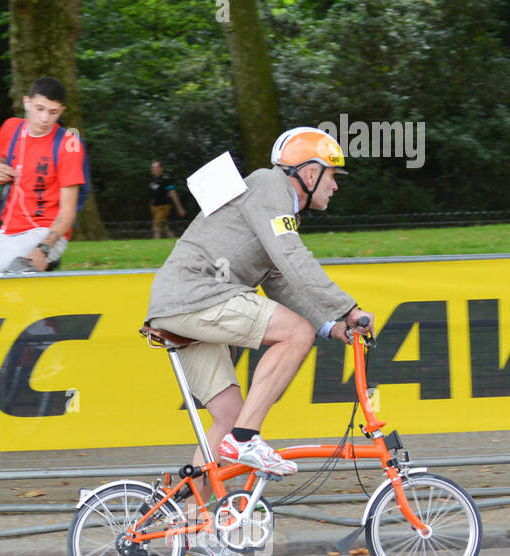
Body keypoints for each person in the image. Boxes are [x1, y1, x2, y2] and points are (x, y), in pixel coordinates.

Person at [145, 127, 374, 482]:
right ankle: (247, 438)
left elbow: (278, 280)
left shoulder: (275, 203)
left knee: (228, 417)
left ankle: (194, 524)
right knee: (295, 333)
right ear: (310, 173)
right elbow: (292, 257)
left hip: (181, 303)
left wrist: (331, 325)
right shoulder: (270, 186)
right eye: (332, 176)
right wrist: (348, 308)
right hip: (195, 295)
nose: (335, 186)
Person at [0, 76, 86, 273]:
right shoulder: (11, 128)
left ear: (62, 111)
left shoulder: (69, 144)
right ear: (26, 102)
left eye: (53, 112)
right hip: (8, 230)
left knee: (0, 288)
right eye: (39, 109)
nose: (44, 118)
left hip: (46, 231)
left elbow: (67, 213)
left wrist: (43, 249)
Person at [149, 161, 187, 239]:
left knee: (156, 226)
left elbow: (173, 194)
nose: (153, 169)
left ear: (160, 169)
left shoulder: (166, 180)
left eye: (155, 167)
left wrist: (180, 208)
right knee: (164, 226)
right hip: (155, 207)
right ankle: (173, 239)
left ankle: (156, 243)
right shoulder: (152, 180)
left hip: (164, 206)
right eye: (152, 167)